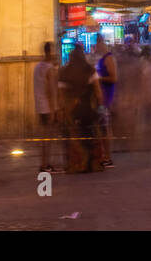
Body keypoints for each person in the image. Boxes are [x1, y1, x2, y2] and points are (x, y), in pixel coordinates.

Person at [58, 44, 103, 173]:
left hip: (72, 111)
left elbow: (61, 95)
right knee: (90, 135)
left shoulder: (64, 71)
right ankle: (93, 164)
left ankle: (76, 165)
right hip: (87, 109)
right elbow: (98, 92)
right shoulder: (90, 70)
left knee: (73, 137)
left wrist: (62, 110)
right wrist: (99, 106)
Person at [33, 41, 60, 173]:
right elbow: (50, 91)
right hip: (47, 108)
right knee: (48, 138)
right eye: (53, 51)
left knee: (44, 137)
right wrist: (54, 109)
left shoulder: (38, 67)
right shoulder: (49, 69)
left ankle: (44, 164)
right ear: (49, 52)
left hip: (39, 107)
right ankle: (46, 165)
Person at [92, 34, 117, 167]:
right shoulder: (102, 58)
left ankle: (108, 157)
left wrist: (98, 78)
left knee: (105, 128)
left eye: (96, 43)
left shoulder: (108, 58)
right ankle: (105, 155)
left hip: (106, 98)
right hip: (102, 98)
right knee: (103, 127)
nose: (95, 46)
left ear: (101, 43)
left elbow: (113, 78)